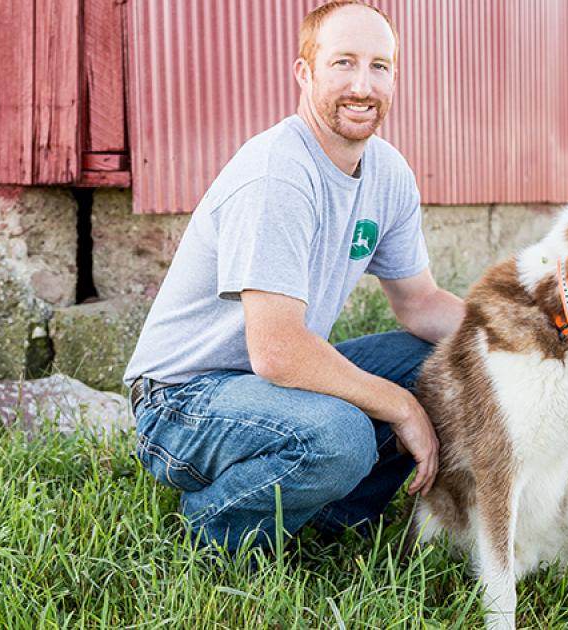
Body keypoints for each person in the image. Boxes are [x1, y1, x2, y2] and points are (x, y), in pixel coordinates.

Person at [122, 0, 464, 554]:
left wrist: (522, 334)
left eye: (379, 66)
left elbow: (420, 303)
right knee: (342, 436)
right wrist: (403, 408)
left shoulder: (388, 173)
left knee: (443, 360)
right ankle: (212, 529)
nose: (363, 85)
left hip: (264, 389)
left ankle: (329, 520)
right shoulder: (277, 173)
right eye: (343, 63)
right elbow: (278, 352)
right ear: (304, 73)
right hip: (182, 399)